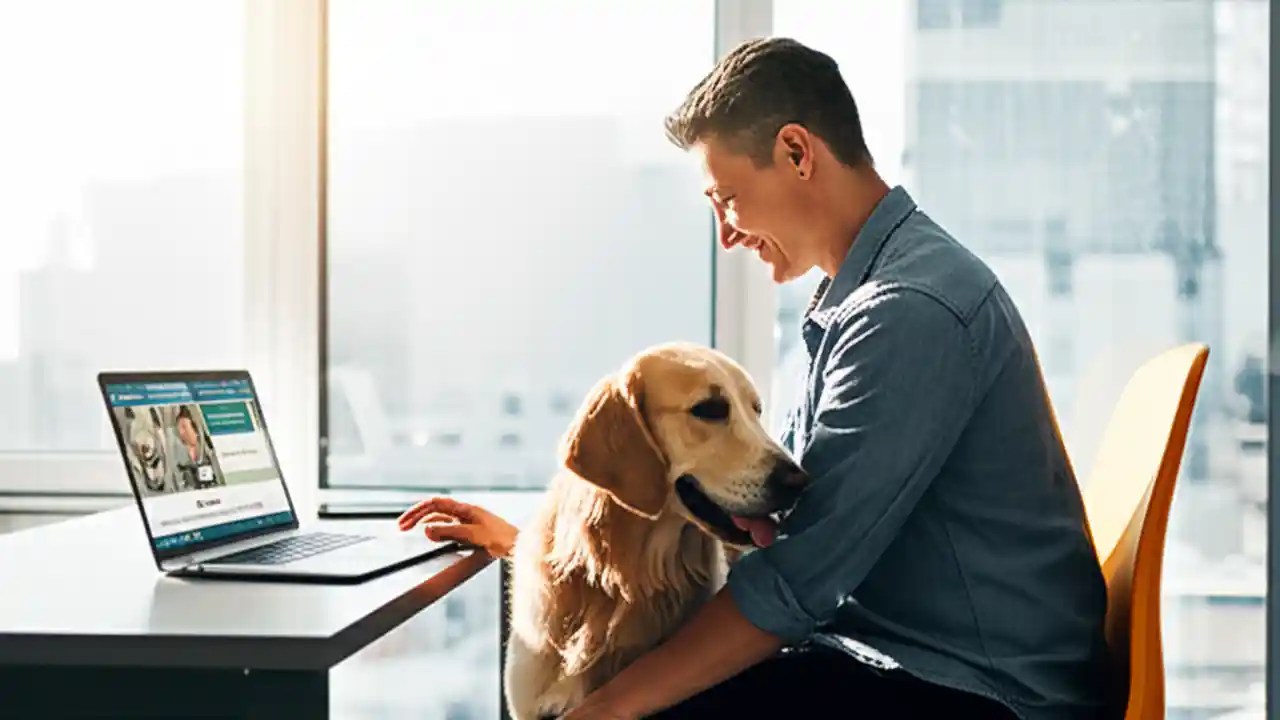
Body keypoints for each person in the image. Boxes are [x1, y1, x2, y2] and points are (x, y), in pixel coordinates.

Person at [401, 37, 1111, 720]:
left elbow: (795, 580)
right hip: (909, 660)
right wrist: (540, 546)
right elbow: (770, 524)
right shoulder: (868, 299)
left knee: (618, 702)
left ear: (796, 152)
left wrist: (609, 710)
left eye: (727, 198)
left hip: (976, 694)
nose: (727, 234)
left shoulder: (909, 313)